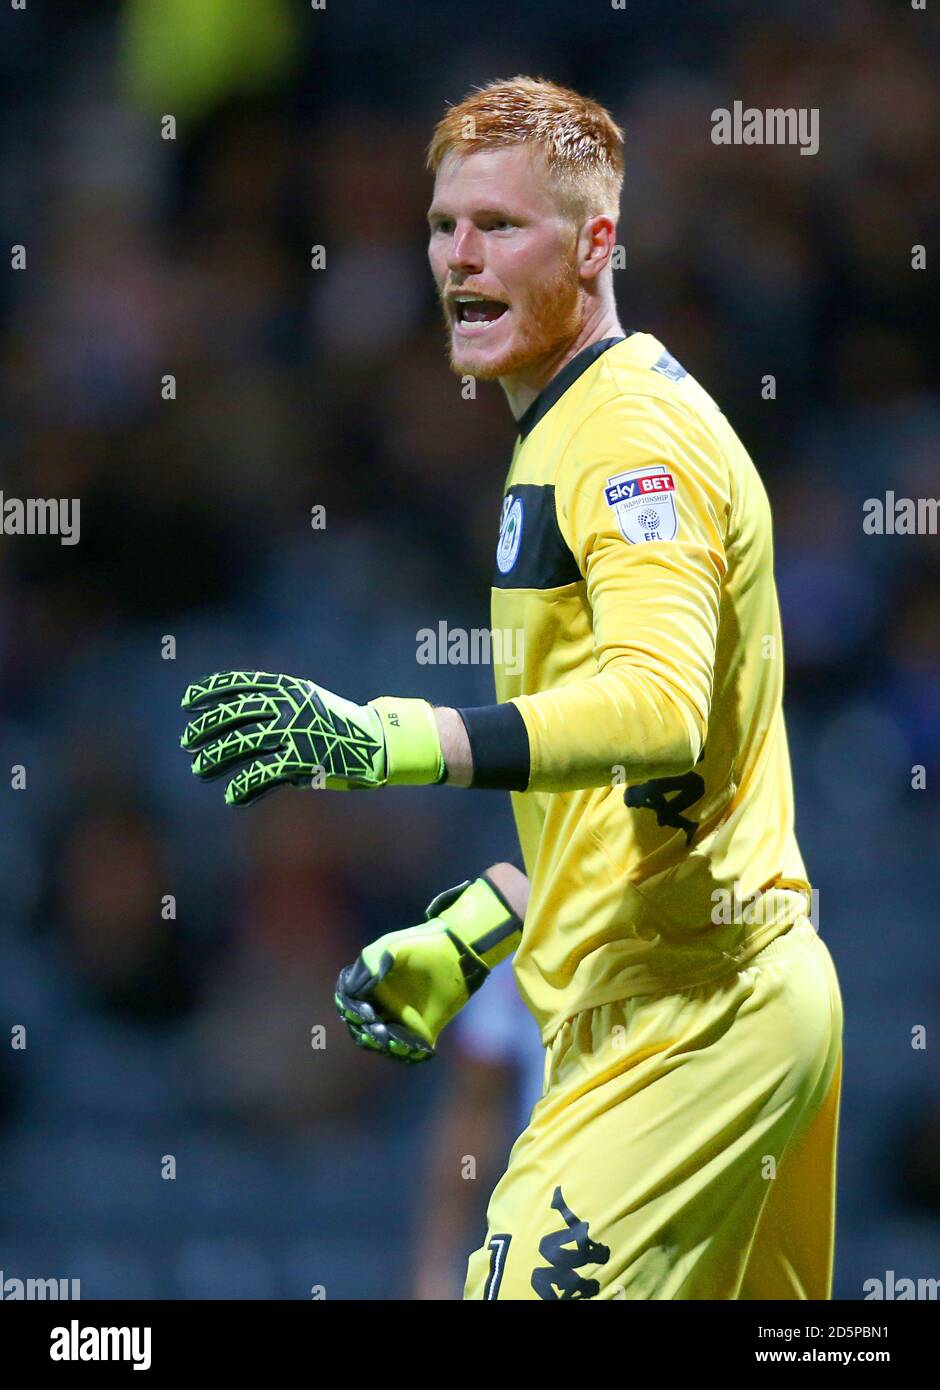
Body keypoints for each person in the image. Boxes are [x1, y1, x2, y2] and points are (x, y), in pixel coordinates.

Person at [180, 76, 843, 1300]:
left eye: (500, 226)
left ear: (596, 244)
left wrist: (395, 736)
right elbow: (648, 798)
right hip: (705, 999)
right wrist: (484, 921)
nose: (458, 259)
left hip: (681, 1027)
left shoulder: (628, 439)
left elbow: (657, 711)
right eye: (442, 226)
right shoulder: (567, 431)